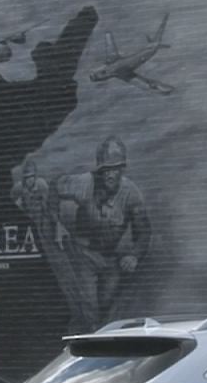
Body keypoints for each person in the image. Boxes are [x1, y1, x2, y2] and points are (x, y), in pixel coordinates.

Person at [50, 137, 152, 335]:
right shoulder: (83, 183)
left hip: (110, 257)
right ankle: (85, 339)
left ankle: (97, 336)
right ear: (100, 171)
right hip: (84, 254)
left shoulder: (131, 193)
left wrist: (134, 255)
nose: (110, 175)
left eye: (115, 169)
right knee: (89, 305)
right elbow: (54, 188)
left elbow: (144, 231)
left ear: (122, 170)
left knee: (106, 304)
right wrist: (57, 224)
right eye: (106, 170)